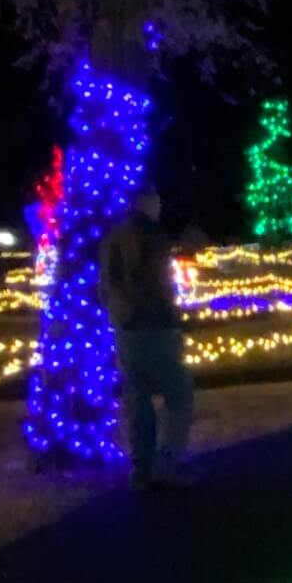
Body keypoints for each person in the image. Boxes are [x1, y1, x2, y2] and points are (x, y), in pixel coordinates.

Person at [99, 184, 194, 489]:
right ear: (148, 203)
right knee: (179, 394)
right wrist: (173, 319)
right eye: (157, 202)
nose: (160, 208)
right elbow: (158, 284)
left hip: (125, 328)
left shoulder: (114, 235)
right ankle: (167, 463)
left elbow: (106, 284)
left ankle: (141, 469)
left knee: (138, 399)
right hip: (154, 326)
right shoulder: (152, 236)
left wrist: (118, 313)